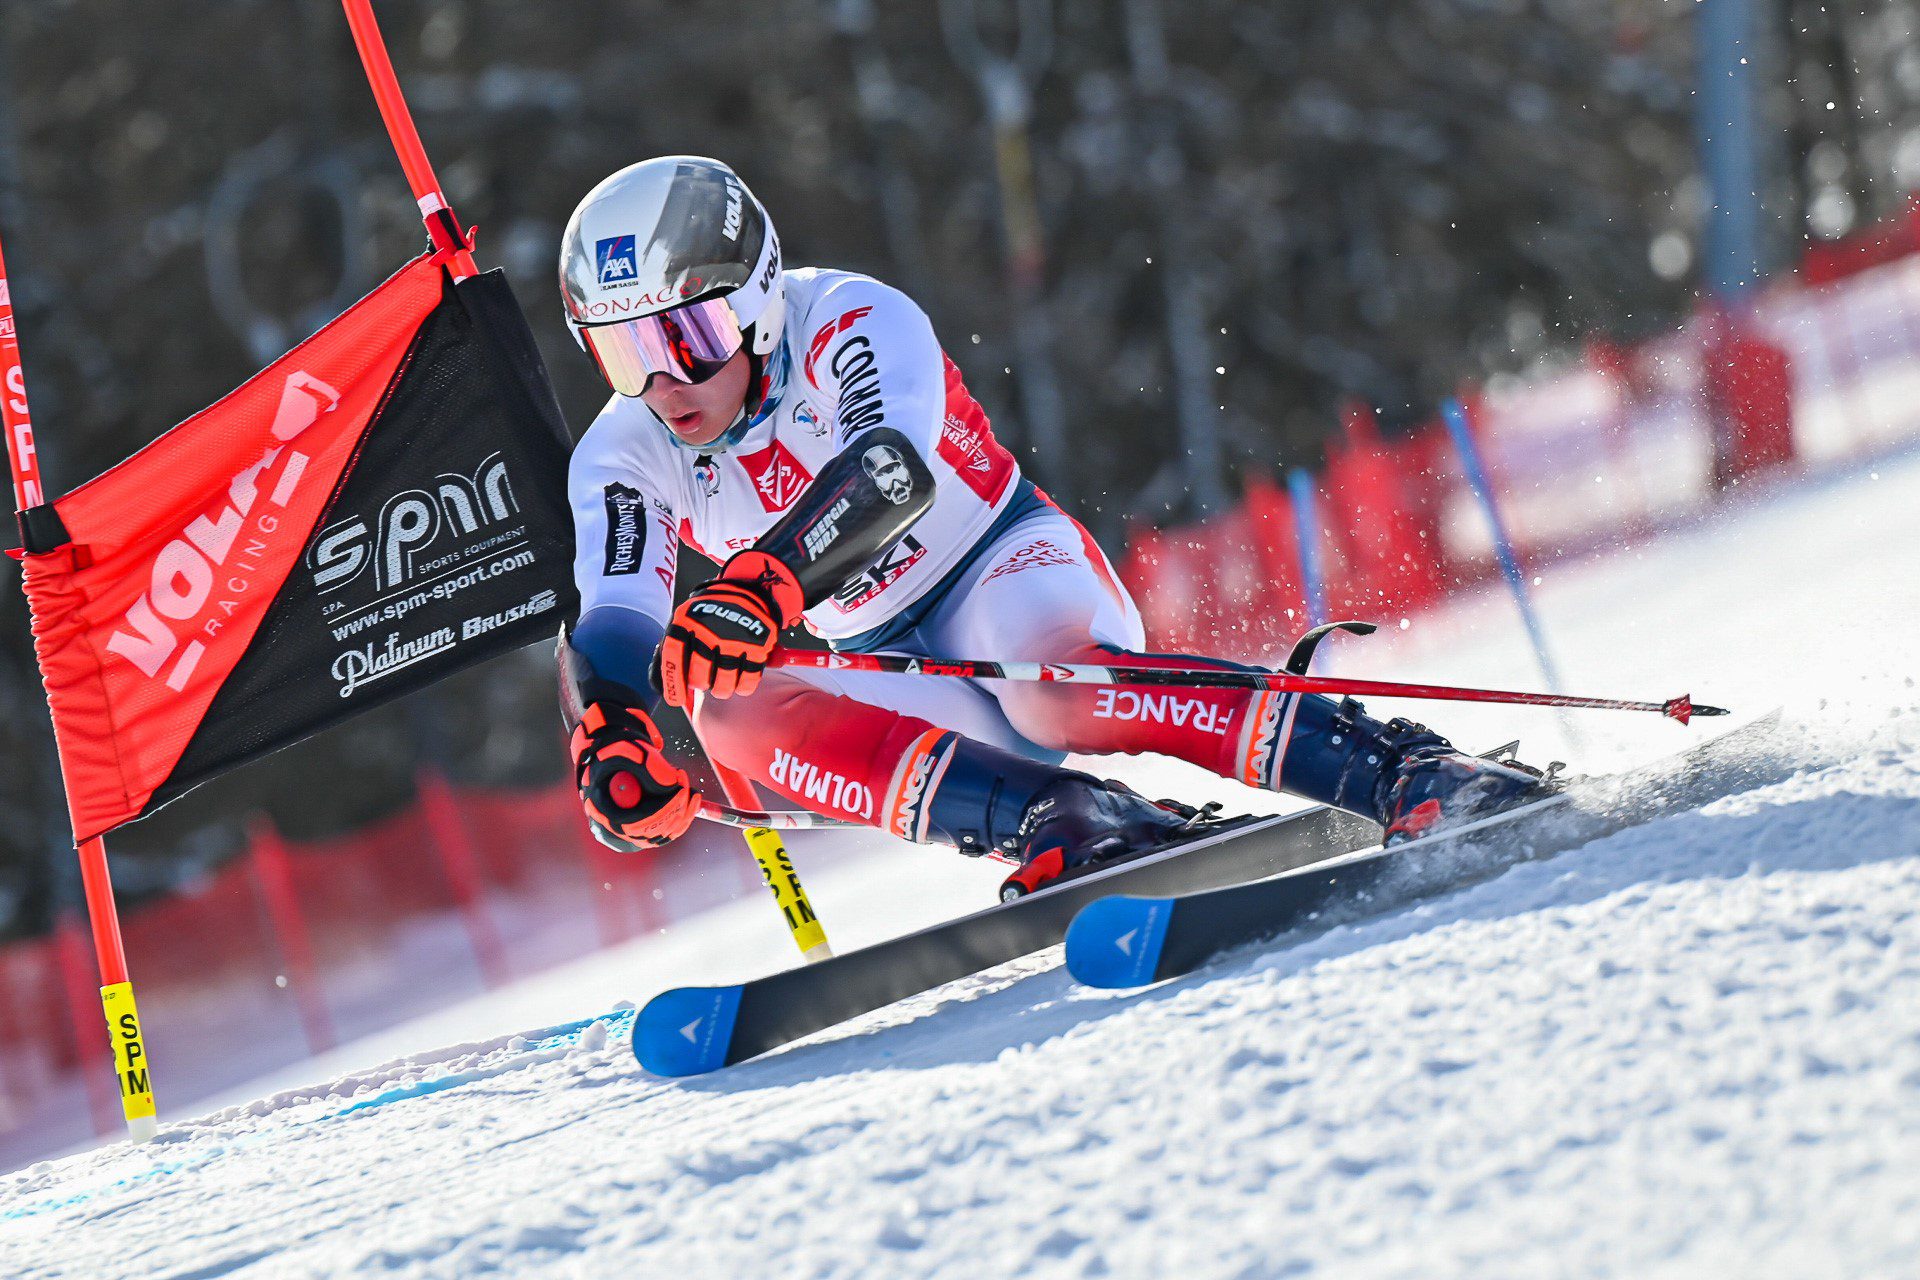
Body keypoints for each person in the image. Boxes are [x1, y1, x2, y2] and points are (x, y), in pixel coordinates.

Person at [557, 156, 1543, 895]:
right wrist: (614, 729)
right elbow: (617, 615)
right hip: (879, 654)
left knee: (1055, 696)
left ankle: (1398, 764)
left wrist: (762, 587)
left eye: (687, 336)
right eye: (621, 352)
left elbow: (892, 473)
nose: (663, 383)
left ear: (760, 299)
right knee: (721, 704)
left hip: (998, 567)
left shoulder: (850, 318)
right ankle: (1062, 816)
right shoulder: (621, 452)